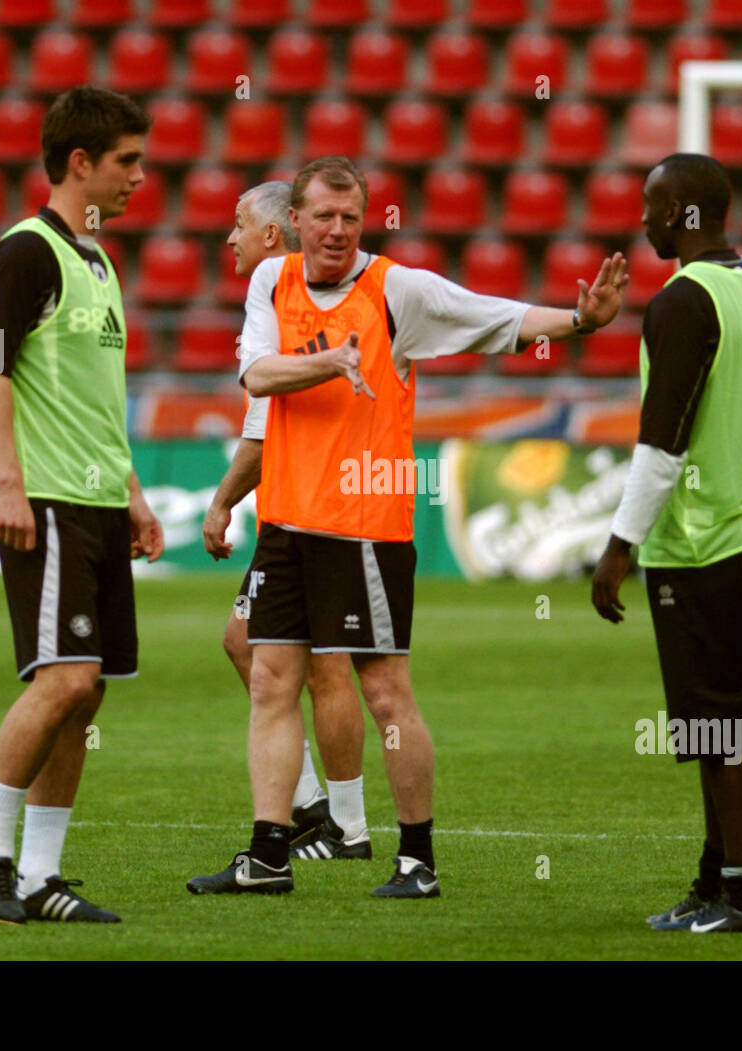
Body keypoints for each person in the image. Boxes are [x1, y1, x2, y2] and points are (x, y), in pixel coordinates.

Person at [188, 155, 629, 898]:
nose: (336, 230)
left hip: (363, 518)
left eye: (350, 217)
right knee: (268, 677)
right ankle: (268, 853)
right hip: (288, 520)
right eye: (323, 216)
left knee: (386, 690)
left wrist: (581, 319)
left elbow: (499, 316)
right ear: (293, 221)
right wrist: (332, 361)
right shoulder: (272, 281)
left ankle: (417, 858)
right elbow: (258, 376)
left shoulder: (400, 291)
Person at [0, 86, 164, 925]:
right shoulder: (25, 252)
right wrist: (9, 482)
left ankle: (42, 875)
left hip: (98, 501)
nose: (139, 177)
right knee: (63, 679)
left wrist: (135, 495)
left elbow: (94, 398)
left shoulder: (99, 261)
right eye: (127, 161)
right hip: (43, 499)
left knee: (90, 691)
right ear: (79, 162)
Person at [591, 153, 742, 934]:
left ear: (683, 212)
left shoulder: (683, 300)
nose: (642, 218)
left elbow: (663, 439)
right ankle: (716, 881)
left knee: (728, 720)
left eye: (651, 205)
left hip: (709, 536)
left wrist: (620, 546)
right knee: (724, 716)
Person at [202, 180, 372, 860]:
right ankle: (311, 806)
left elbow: (265, 433)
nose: (230, 238)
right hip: (293, 508)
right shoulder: (273, 298)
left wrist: (220, 502)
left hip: (324, 506)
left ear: (273, 233)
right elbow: (263, 422)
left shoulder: (290, 294)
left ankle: (348, 826)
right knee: (247, 644)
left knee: (326, 666)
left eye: (239, 224)